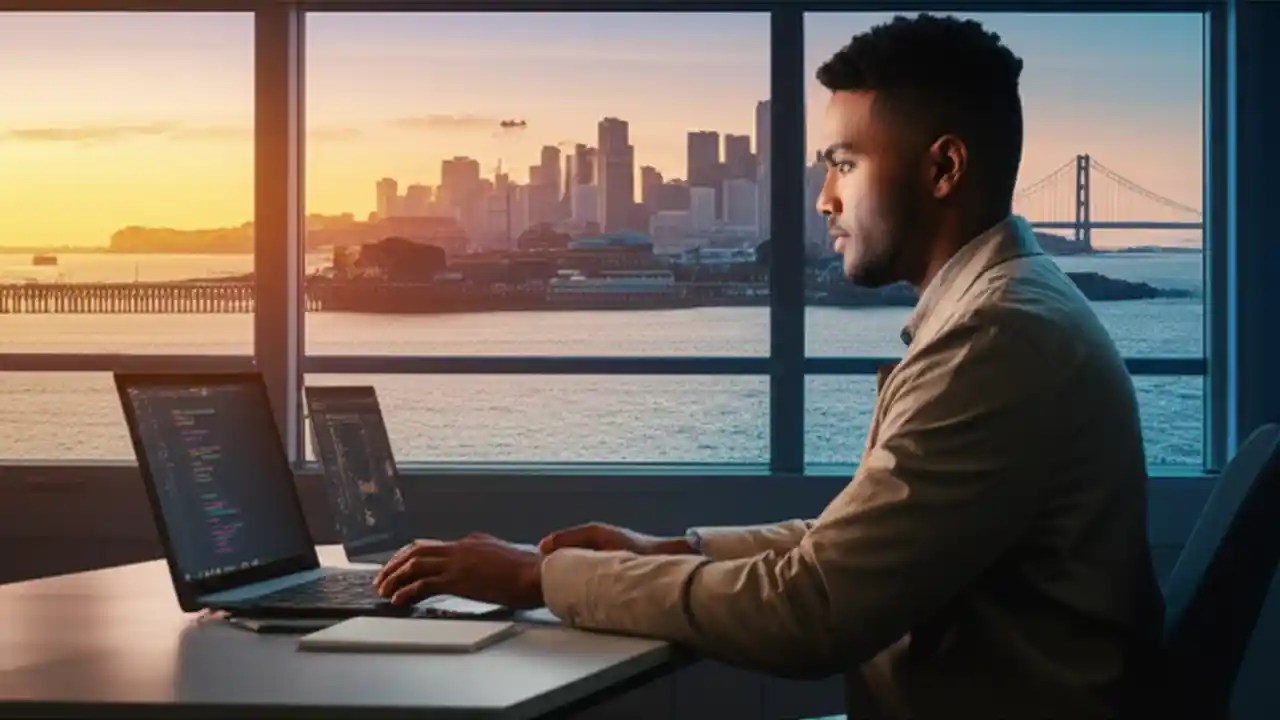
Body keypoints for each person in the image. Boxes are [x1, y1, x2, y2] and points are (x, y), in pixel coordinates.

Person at [375, 14, 1164, 719]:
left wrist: (536, 581)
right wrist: (667, 551)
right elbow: (855, 546)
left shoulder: (995, 343)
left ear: (944, 168)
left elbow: (812, 609)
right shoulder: (1005, 308)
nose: (822, 198)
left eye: (844, 164)